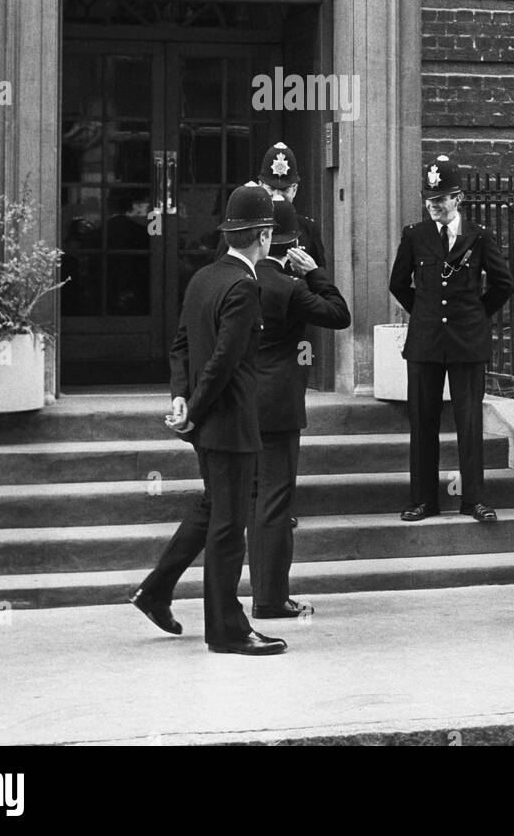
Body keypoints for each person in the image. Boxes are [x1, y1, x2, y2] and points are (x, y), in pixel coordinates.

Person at [130, 185, 287, 656]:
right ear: (263, 235)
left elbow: (181, 347)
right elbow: (222, 363)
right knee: (227, 526)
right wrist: (191, 409)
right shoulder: (243, 286)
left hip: (205, 425)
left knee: (210, 509)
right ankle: (226, 628)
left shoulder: (203, 278)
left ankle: (155, 590)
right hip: (230, 425)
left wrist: (181, 401)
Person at [389, 154, 512, 523]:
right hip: (425, 343)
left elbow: (503, 284)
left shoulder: (479, 237)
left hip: (466, 343)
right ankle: (424, 500)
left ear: (458, 199)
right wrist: (425, 313)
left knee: (469, 422)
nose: (435, 207)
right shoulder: (415, 235)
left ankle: (473, 499)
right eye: (430, 201)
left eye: (441, 200)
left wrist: (475, 315)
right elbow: (398, 283)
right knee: (422, 422)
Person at [248, 199, 351, 619]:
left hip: (239, 401)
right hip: (277, 406)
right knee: (274, 503)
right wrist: (315, 273)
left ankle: (260, 593)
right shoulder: (288, 287)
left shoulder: (232, 279)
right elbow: (339, 315)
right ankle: (271, 599)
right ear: (288, 244)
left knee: (253, 503)